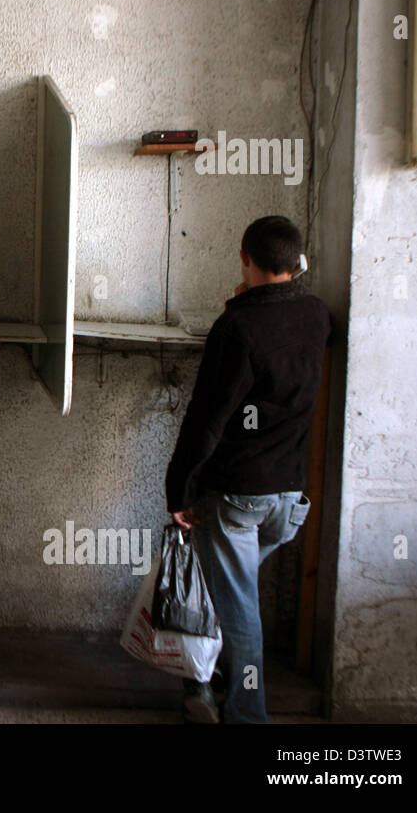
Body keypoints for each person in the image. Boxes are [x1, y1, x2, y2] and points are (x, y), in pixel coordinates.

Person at [165, 215, 330, 724]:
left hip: (239, 496)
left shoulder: (236, 328)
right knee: (228, 591)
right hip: (290, 500)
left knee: (241, 618)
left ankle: (247, 716)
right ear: (297, 262)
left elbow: (206, 421)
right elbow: (281, 326)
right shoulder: (317, 315)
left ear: (244, 258)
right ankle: (202, 684)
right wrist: (247, 302)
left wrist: (179, 489)